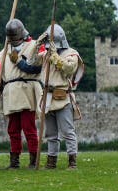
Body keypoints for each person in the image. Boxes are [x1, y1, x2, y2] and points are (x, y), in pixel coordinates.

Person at [30, 24, 84, 170]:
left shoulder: (72, 54)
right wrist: (36, 46)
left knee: (67, 131)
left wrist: (54, 55)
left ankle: (72, 161)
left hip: (62, 96)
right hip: (47, 96)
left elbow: (68, 69)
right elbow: (32, 61)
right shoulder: (46, 54)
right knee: (51, 133)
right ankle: (51, 162)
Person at [0, 19, 42, 169]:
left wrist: (19, 62)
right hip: (10, 92)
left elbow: (36, 69)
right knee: (13, 130)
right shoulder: (2, 54)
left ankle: (34, 159)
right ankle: (14, 161)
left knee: (29, 128)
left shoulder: (34, 46)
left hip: (26, 90)